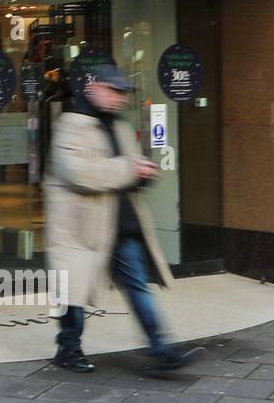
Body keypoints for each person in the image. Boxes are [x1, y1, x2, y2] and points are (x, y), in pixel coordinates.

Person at [44, 64, 202, 373]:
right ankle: (68, 348)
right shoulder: (71, 125)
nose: (120, 98)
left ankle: (161, 349)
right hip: (81, 229)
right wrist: (130, 169)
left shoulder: (120, 127)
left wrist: (143, 173)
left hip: (120, 224)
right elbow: (79, 173)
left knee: (138, 286)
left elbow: (128, 170)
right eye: (114, 91)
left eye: (122, 92)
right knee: (74, 292)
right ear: (94, 88)